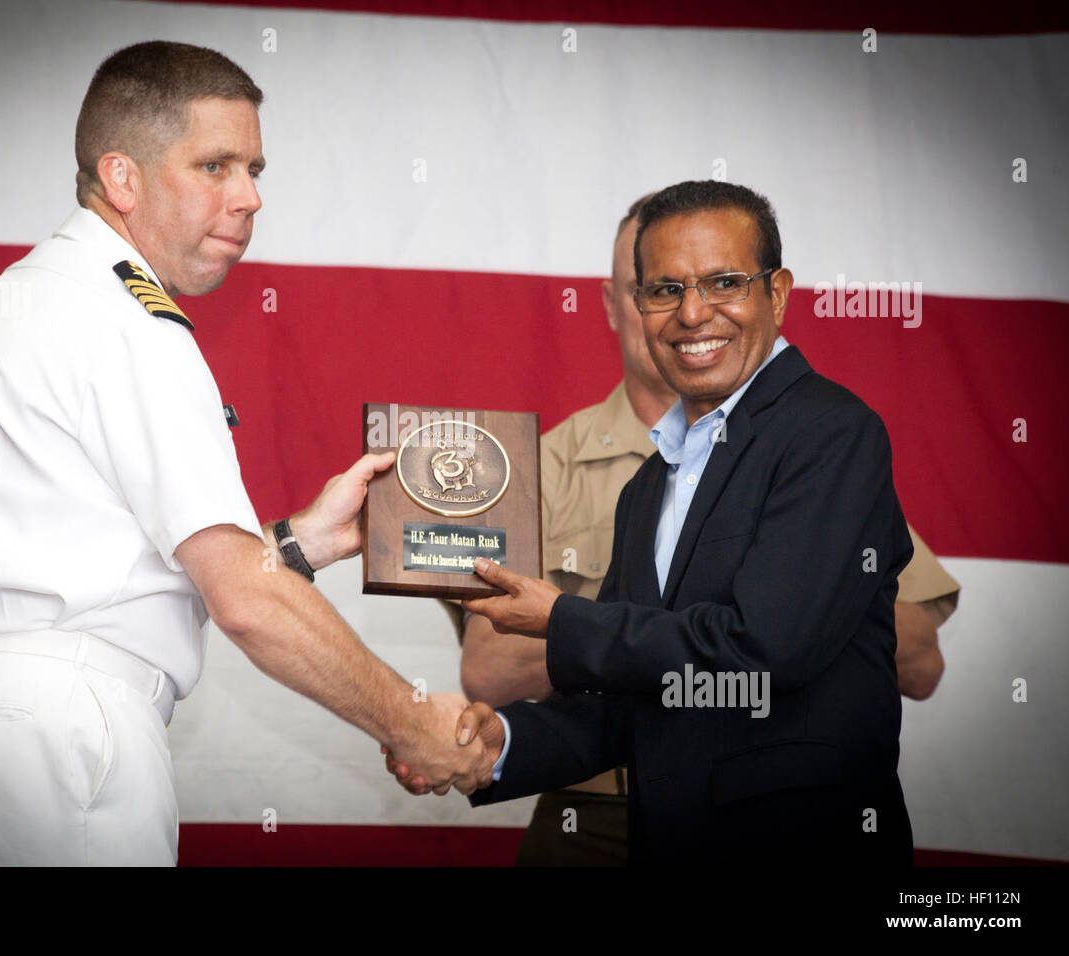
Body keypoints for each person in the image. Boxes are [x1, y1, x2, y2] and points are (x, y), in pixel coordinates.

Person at [0, 41, 486, 866]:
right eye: (216, 166)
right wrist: (416, 721)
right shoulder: (125, 320)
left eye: (255, 169)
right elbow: (244, 601)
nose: (249, 197)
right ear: (122, 177)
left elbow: (107, 558)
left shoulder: (39, 294)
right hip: (60, 734)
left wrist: (300, 542)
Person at [392, 180, 917, 865]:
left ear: (778, 292)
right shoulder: (649, 484)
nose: (692, 313)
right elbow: (635, 695)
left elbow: (765, 651)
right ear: (636, 306)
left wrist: (563, 619)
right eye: (665, 290)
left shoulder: (832, 434)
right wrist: (500, 748)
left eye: (723, 282)